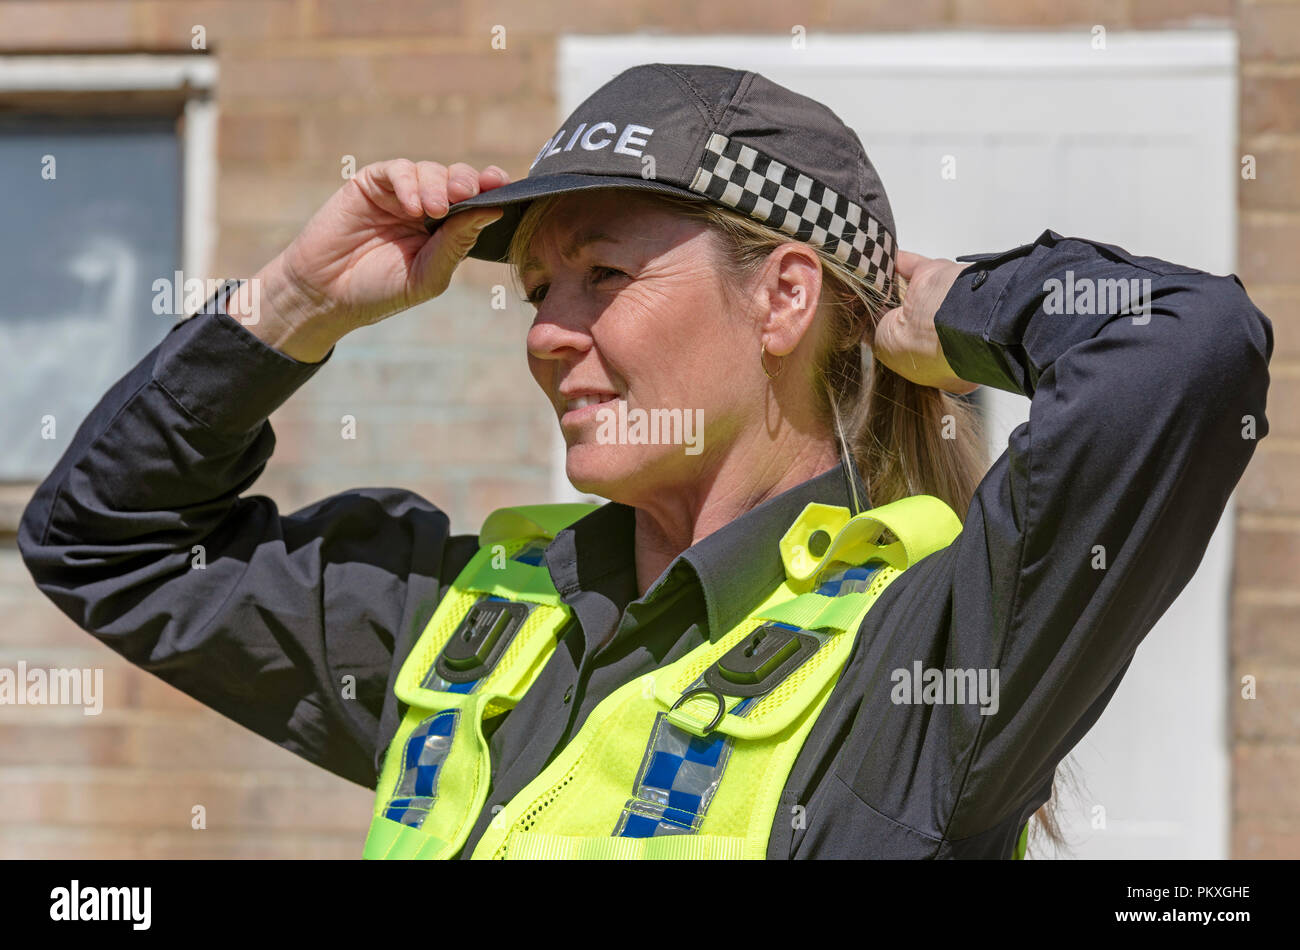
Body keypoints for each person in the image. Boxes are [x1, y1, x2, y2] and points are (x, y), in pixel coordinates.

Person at [19, 63, 1273, 859]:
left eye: (605, 274)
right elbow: (106, 540)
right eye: (538, 288)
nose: (553, 333)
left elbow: (1189, 347)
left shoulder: (931, 646)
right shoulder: (466, 627)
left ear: (784, 297)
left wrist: (925, 297)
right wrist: (297, 299)